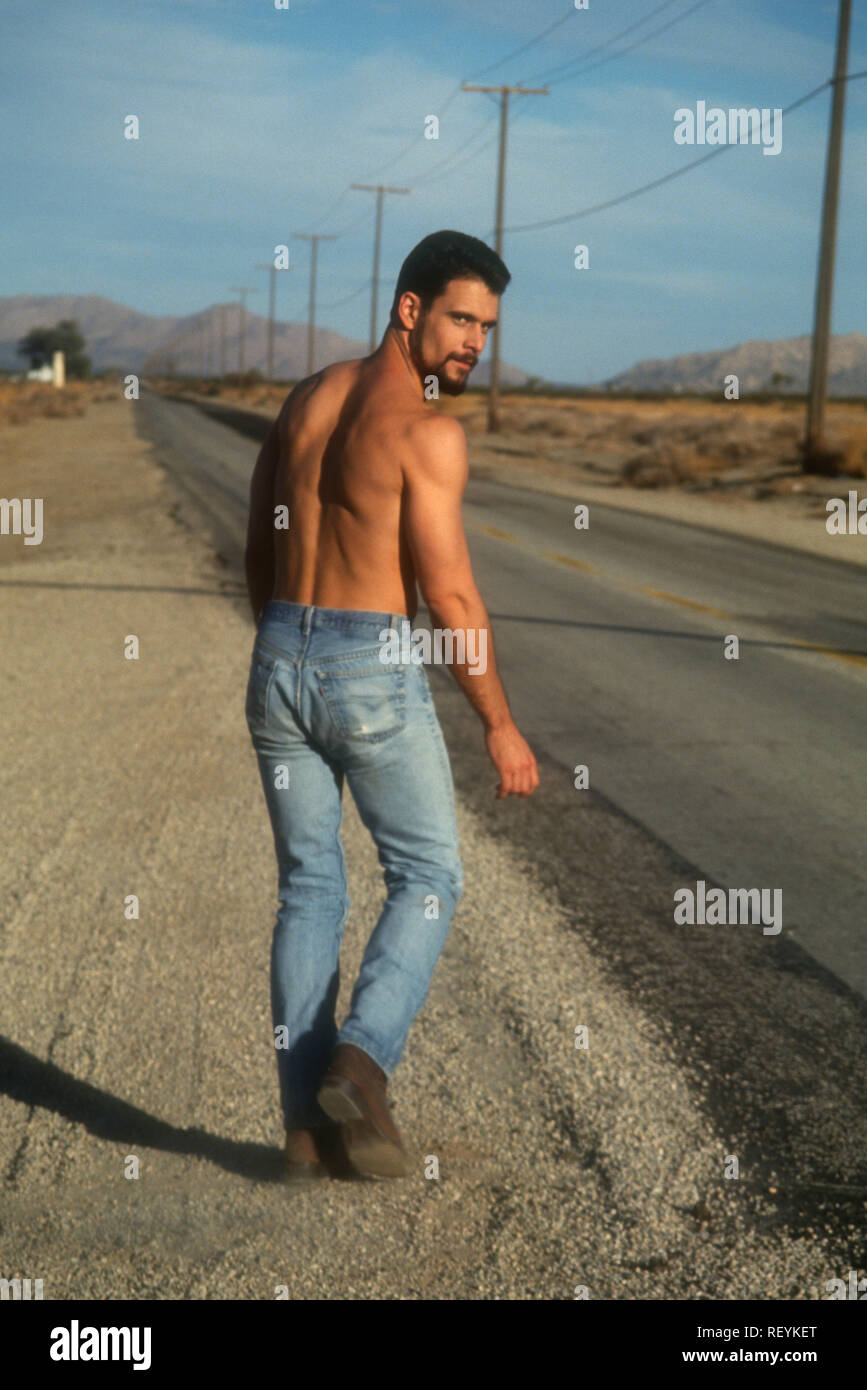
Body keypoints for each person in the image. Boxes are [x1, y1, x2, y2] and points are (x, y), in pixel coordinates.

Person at [244, 229, 539, 1182]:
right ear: (409, 308)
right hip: (369, 661)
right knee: (427, 875)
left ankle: (302, 1135)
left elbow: (261, 536)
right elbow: (451, 601)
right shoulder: (427, 431)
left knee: (309, 890)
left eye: (487, 328)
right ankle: (362, 1070)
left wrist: (287, 646)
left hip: (279, 651)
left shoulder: (307, 397)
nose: (474, 345)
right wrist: (497, 722)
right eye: (461, 319)